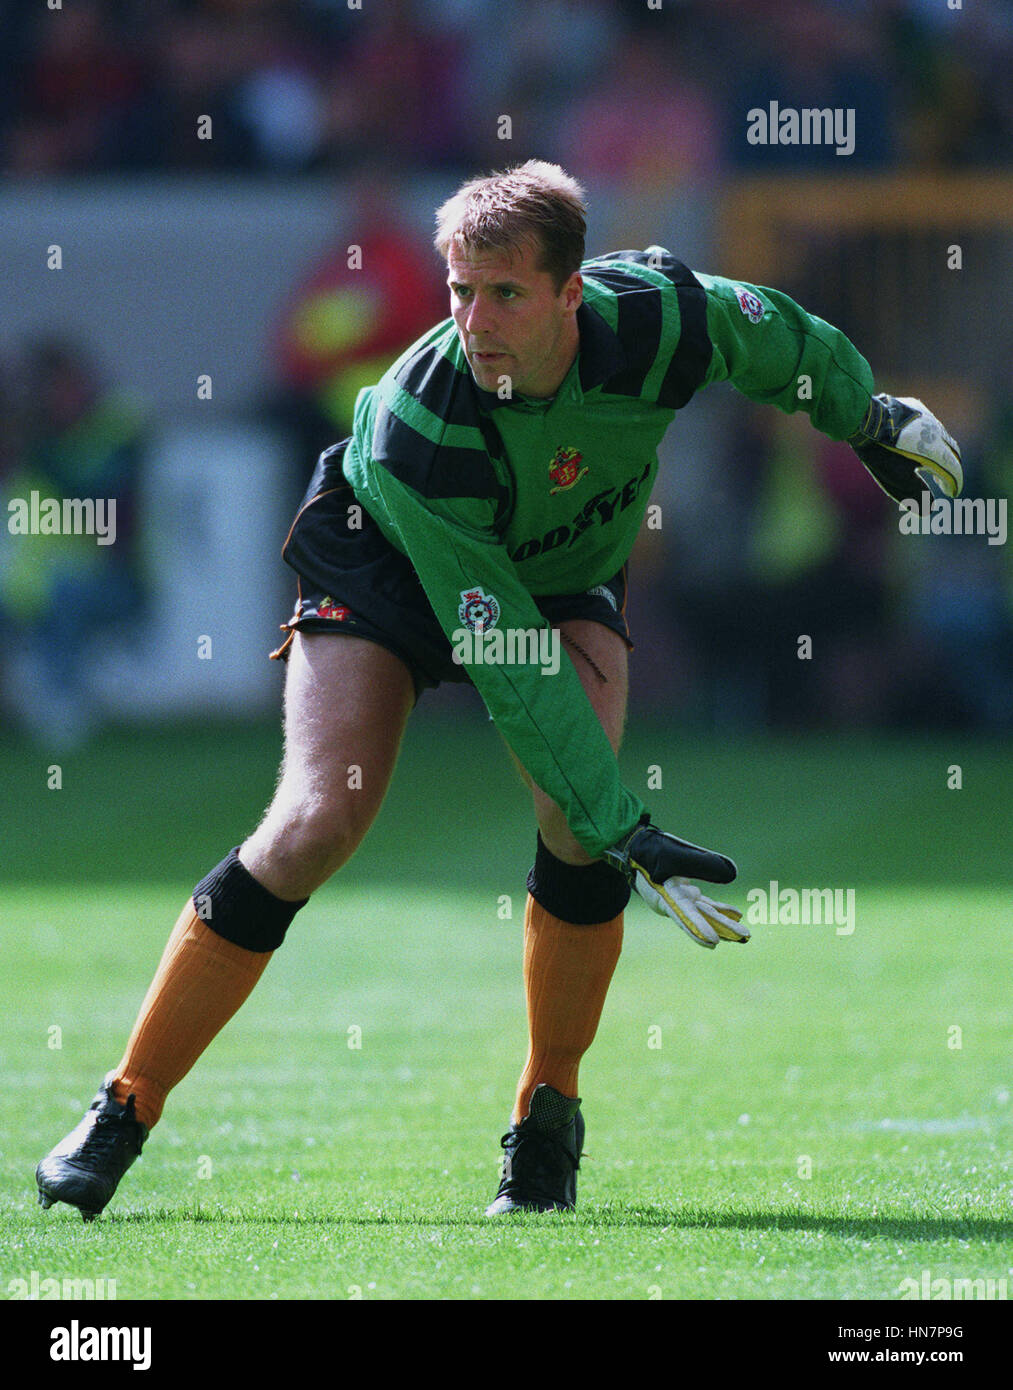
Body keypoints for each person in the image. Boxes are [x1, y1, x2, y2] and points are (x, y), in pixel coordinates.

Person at [35, 160, 962, 1220]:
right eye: (457, 292)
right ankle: (124, 1105)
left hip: (558, 568)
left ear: (572, 292)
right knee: (314, 821)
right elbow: (512, 664)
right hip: (389, 558)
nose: (474, 322)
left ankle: (545, 1120)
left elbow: (784, 345)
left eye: (505, 293)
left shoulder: (663, 319)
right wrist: (627, 822)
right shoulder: (423, 430)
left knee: (571, 837)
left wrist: (866, 418)